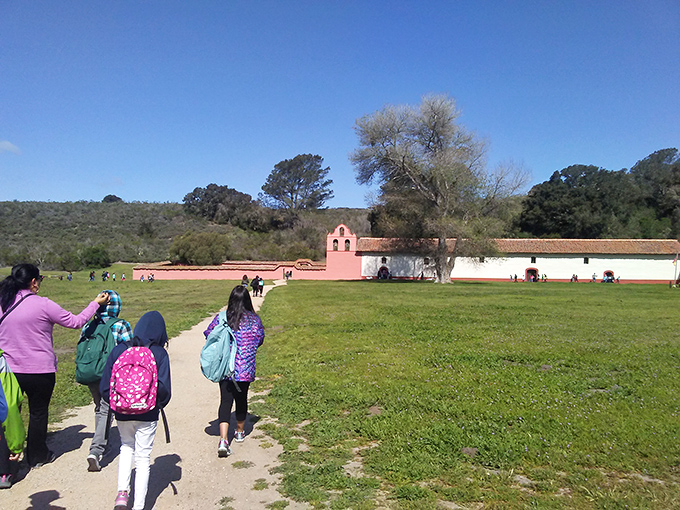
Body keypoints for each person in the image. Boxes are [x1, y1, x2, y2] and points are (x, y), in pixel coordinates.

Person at [0, 263, 109, 467]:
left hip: (9, 370)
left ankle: (8, 460)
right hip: (41, 370)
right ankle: (38, 455)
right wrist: (95, 303)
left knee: (10, 414)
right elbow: (76, 322)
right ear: (33, 282)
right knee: (38, 412)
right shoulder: (43, 304)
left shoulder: (3, 303)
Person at [100, 311, 171, 510]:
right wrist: (153, 403)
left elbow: (105, 387)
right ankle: (139, 505)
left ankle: (122, 494)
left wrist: (120, 403)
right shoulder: (159, 353)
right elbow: (165, 391)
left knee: (126, 447)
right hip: (148, 413)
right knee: (143, 457)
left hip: (122, 412)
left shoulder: (119, 350)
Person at [203, 285, 264, 457]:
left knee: (225, 401)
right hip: (245, 369)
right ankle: (239, 431)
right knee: (242, 399)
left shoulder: (222, 318)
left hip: (225, 368)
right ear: (247, 300)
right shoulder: (254, 320)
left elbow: (208, 334)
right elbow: (260, 339)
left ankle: (223, 440)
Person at [79, 290, 133, 472]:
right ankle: (96, 450)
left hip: (91, 372)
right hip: (110, 374)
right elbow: (129, 352)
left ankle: (104, 442)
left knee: (99, 407)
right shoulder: (121, 325)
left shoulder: (88, 326)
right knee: (105, 408)